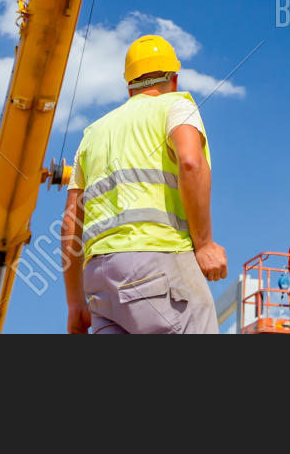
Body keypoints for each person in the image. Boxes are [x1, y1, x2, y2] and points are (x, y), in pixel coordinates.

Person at [61, 34, 227, 333]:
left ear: (129, 87)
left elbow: (70, 222)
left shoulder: (92, 135)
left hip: (99, 282)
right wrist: (204, 244)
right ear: (173, 79)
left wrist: (75, 303)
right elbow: (190, 162)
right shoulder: (176, 106)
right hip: (158, 263)